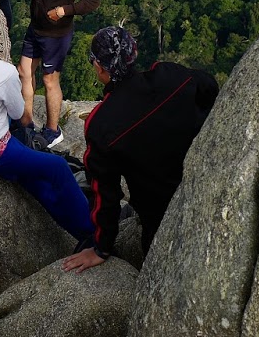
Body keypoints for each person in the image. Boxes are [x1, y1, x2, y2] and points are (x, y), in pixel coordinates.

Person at [61, 26, 219, 273]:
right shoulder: (171, 76)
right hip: (207, 182)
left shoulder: (102, 124)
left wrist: (101, 247)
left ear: (100, 68)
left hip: (160, 215)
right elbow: (210, 86)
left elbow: (106, 194)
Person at [0, 5, 94, 247]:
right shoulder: (2, 72)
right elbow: (20, 114)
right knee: (57, 168)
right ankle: (92, 232)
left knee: (34, 181)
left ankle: (83, 231)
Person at [10, 0, 101, 150]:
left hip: (56, 33)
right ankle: (26, 122)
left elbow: (92, 0)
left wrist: (65, 11)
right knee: (24, 71)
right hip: (36, 25)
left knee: (50, 80)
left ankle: (52, 130)